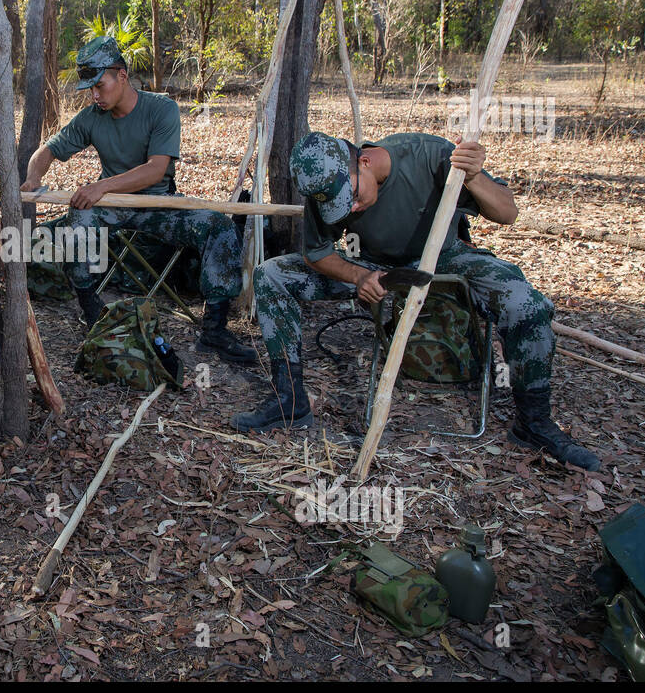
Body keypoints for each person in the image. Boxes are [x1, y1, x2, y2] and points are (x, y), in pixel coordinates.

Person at [233, 130, 600, 472]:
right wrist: (359, 276)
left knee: (527, 305)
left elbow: (508, 212)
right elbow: (317, 253)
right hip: (375, 265)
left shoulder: (429, 156)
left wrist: (472, 175)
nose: (354, 210)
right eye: (345, 207)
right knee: (273, 275)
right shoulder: (325, 183)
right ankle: (291, 400)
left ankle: (534, 422)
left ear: (364, 161)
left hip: (447, 257)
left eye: (355, 199)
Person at [20, 37, 256, 366]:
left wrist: (100, 186)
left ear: (122, 76)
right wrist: (33, 176)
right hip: (113, 210)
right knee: (80, 214)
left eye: (100, 86)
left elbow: (155, 169)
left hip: (159, 206)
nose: (95, 95)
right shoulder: (91, 117)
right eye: (90, 89)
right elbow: (47, 150)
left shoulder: (161, 108)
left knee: (217, 225)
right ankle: (93, 313)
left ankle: (215, 328)